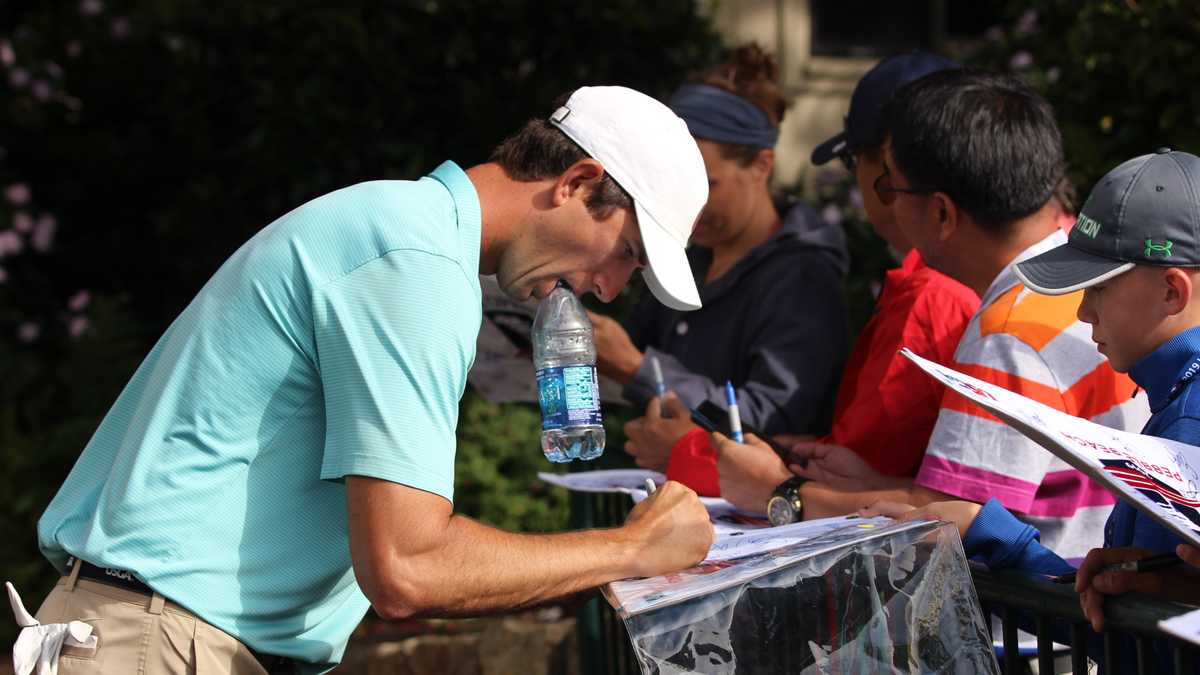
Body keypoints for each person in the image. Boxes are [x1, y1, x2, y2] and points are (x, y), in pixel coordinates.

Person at [26, 86, 715, 674]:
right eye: (626, 254)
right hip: (162, 643)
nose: (610, 288)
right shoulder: (415, 261)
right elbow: (407, 566)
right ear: (577, 183)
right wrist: (630, 548)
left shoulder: (404, 232)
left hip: (164, 636)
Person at [713, 69, 1147, 559]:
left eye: (890, 187)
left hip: (1028, 631)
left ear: (941, 213)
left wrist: (780, 492)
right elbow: (974, 502)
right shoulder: (1074, 288)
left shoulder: (1010, 334)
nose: (886, 205)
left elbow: (946, 522)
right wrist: (878, 483)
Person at [866, 148, 1200, 662]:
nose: (1083, 310)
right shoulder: (1178, 399)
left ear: (1172, 292)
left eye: (1099, 288)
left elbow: (1140, 645)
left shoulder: (1186, 427)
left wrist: (989, 535)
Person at [648, 51, 978, 499]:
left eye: (705, 183)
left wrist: (695, 449)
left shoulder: (929, 295)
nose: (688, 202)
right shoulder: (947, 283)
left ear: (889, 168)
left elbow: (860, 471)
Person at [588, 45, 848, 477]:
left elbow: (775, 418)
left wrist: (638, 369)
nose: (688, 205)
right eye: (674, 186)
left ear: (762, 165)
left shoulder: (804, 276)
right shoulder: (691, 257)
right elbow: (630, 347)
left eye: (706, 185)